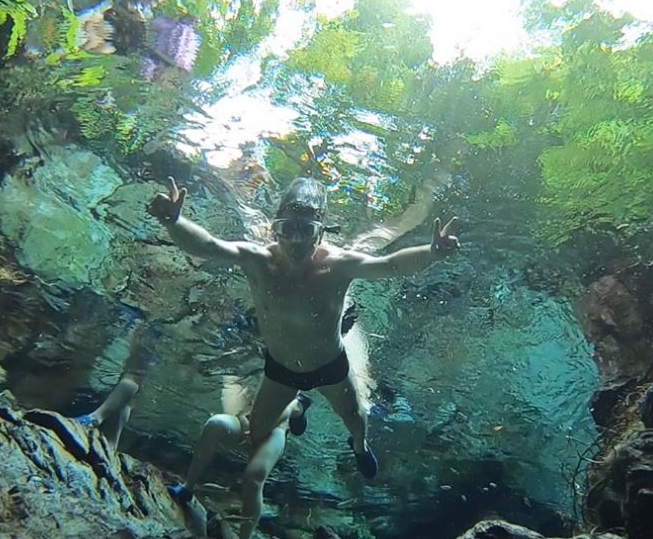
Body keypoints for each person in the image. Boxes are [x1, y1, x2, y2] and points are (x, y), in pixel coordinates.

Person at [147, 175, 461, 479]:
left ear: (320, 233)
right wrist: (174, 222)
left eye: (306, 230)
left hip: (330, 366)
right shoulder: (258, 260)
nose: (296, 240)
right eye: (287, 229)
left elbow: (391, 265)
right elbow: (209, 246)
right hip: (281, 369)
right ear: (275, 230)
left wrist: (432, 253)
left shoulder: (338, 266)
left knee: (357, 419)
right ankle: (296, 408)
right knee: (256, 434)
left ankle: (359, 447)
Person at [168, 393, 312, 539]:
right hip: (247, 423)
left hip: (274, 432)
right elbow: (237, 401)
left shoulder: (295, 397)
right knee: (214, 424)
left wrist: (258, 429)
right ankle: (187, 488)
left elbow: (288, 409)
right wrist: (245, 424)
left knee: (254, 477)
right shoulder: (253, 376)